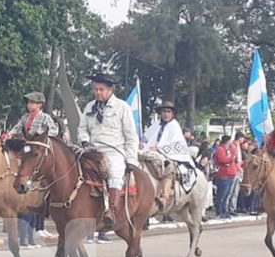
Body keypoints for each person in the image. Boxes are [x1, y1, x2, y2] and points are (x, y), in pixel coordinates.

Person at [76, 73, 139, 227]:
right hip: (92, 150)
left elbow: (131, 135)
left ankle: (111, 210)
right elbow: (82, 128)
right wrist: (84, 140)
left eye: (101, 89)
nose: (98, 92)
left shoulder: (122, 107)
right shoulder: (89, 106)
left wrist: (131, 159)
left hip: (114, 151)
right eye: (96, 89)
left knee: (115, 174)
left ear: (110, 90)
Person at [142, 100, 193, 208]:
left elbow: (176, 144)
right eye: (164, 111)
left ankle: (164, 196)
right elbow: (147, 137)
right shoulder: (156, 125)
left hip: (170, 156)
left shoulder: (174, 126)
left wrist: (160, 149)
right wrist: (142, 143)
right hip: (151, 153)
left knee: (168, 167)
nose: (166, 114)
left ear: (172, 114)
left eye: (168, 112)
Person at [212, 136, 238, 219]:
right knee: (222, 195)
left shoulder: (227, 150)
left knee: (226, 195)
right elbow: (223, 160)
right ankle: (219, 211)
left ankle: (224, 210)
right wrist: (231, 158)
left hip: (229, 175)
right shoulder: (220, 149)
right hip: (224, 175)